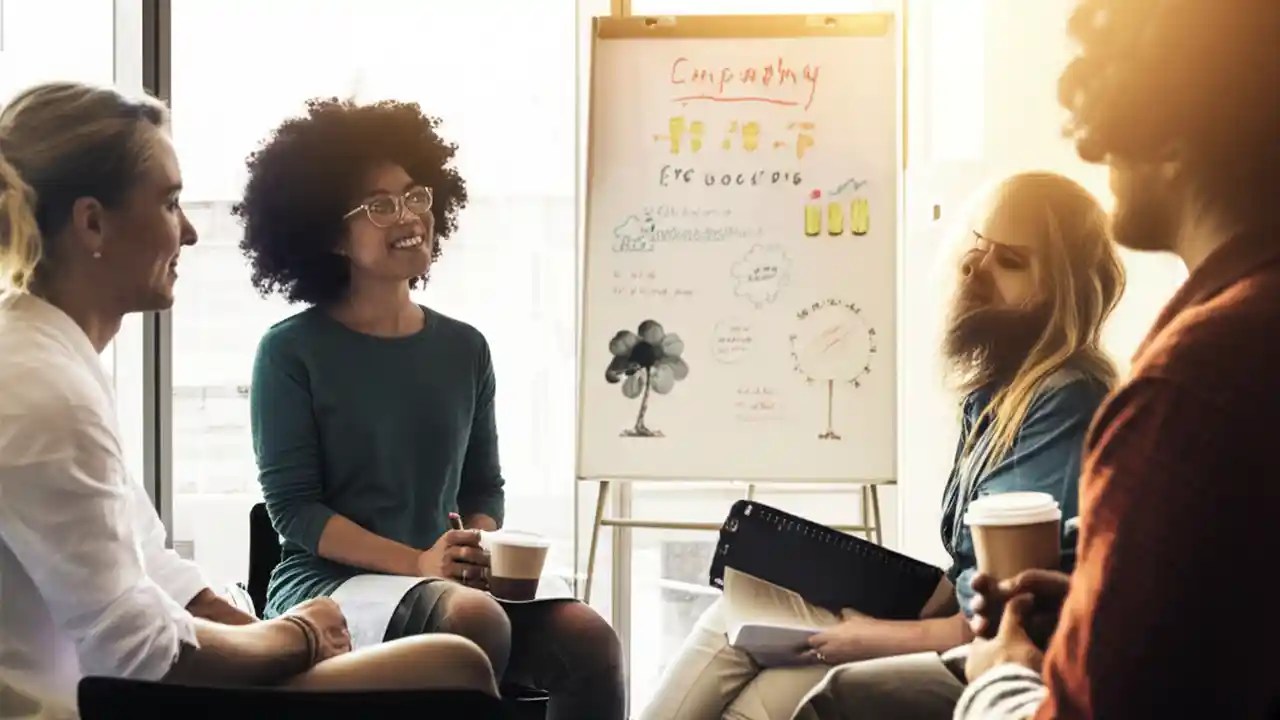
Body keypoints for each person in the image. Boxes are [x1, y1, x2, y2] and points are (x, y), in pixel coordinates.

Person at [0, 82, 499, 719]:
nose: (187, 232)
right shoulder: (42, 388)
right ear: (92, 221)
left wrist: (256, 629)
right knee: (454, 665)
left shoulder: (53, 358)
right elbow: (136, 650)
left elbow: (153, 565)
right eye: (171, 202)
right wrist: (296, 635)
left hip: (128, 680)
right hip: (94, 701)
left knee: (476, 656)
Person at [641, 171, 1125, 720]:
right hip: (948, 628)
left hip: (986, 655)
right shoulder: (998, 394)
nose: (975, 269)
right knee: (734, 612)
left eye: (1010, 262)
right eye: (977, 249)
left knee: (757, 699)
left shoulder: (1064, 400)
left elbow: (999, 615)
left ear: (1065, 290)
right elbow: (960, 578)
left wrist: (866, 636)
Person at [237, 97, 625, 720]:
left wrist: (474, 546)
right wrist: (419, 563)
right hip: (331, 585)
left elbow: (483, 489)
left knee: (590, 639)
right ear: (328, 233)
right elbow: (296, 512)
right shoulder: (290, 352)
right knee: (471, 621)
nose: (410, 216)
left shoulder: (465, 348)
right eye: (380, 206)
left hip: (448, 582)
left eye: (416, 196)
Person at [958, 1, 1280, 718]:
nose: (1094, 151)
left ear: (1176, 128)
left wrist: (1000, 676)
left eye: (1112, 115)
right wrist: (1097, 610)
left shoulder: (1188, 388)